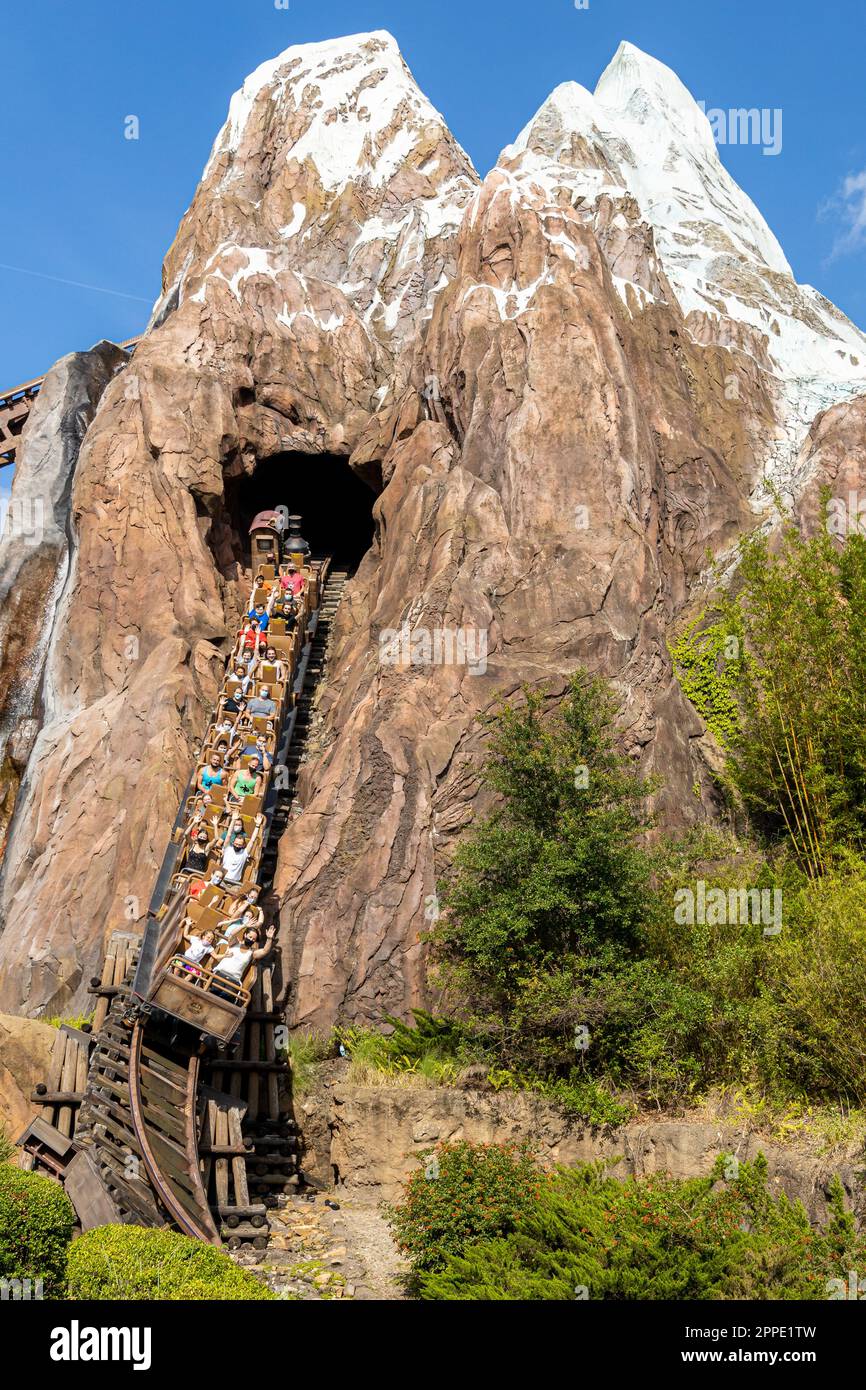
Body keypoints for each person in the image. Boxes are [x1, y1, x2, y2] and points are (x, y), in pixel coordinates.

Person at [210, 925, 276, 1000]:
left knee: (227, 996)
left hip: (234, 980)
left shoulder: (252, 952)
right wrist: (244, 925)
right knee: (214, 990)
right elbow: (232, 934)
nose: (251, 940)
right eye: (250, 937)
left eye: (253, 939)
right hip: (220, 973)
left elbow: (265, 951)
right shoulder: (234, 944)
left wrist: (269, 939)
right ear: (245, 935)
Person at [220, 813, 265, 884]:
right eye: (236, 844)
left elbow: (252, 840)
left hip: (234, 882)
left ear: (243, 845)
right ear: (233, 843)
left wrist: (257, 825)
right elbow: (229, 834)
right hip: (222, 879)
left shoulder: (244, 853)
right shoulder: (228, 848)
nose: (237, 846)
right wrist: (233, 820)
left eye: (239, 845)